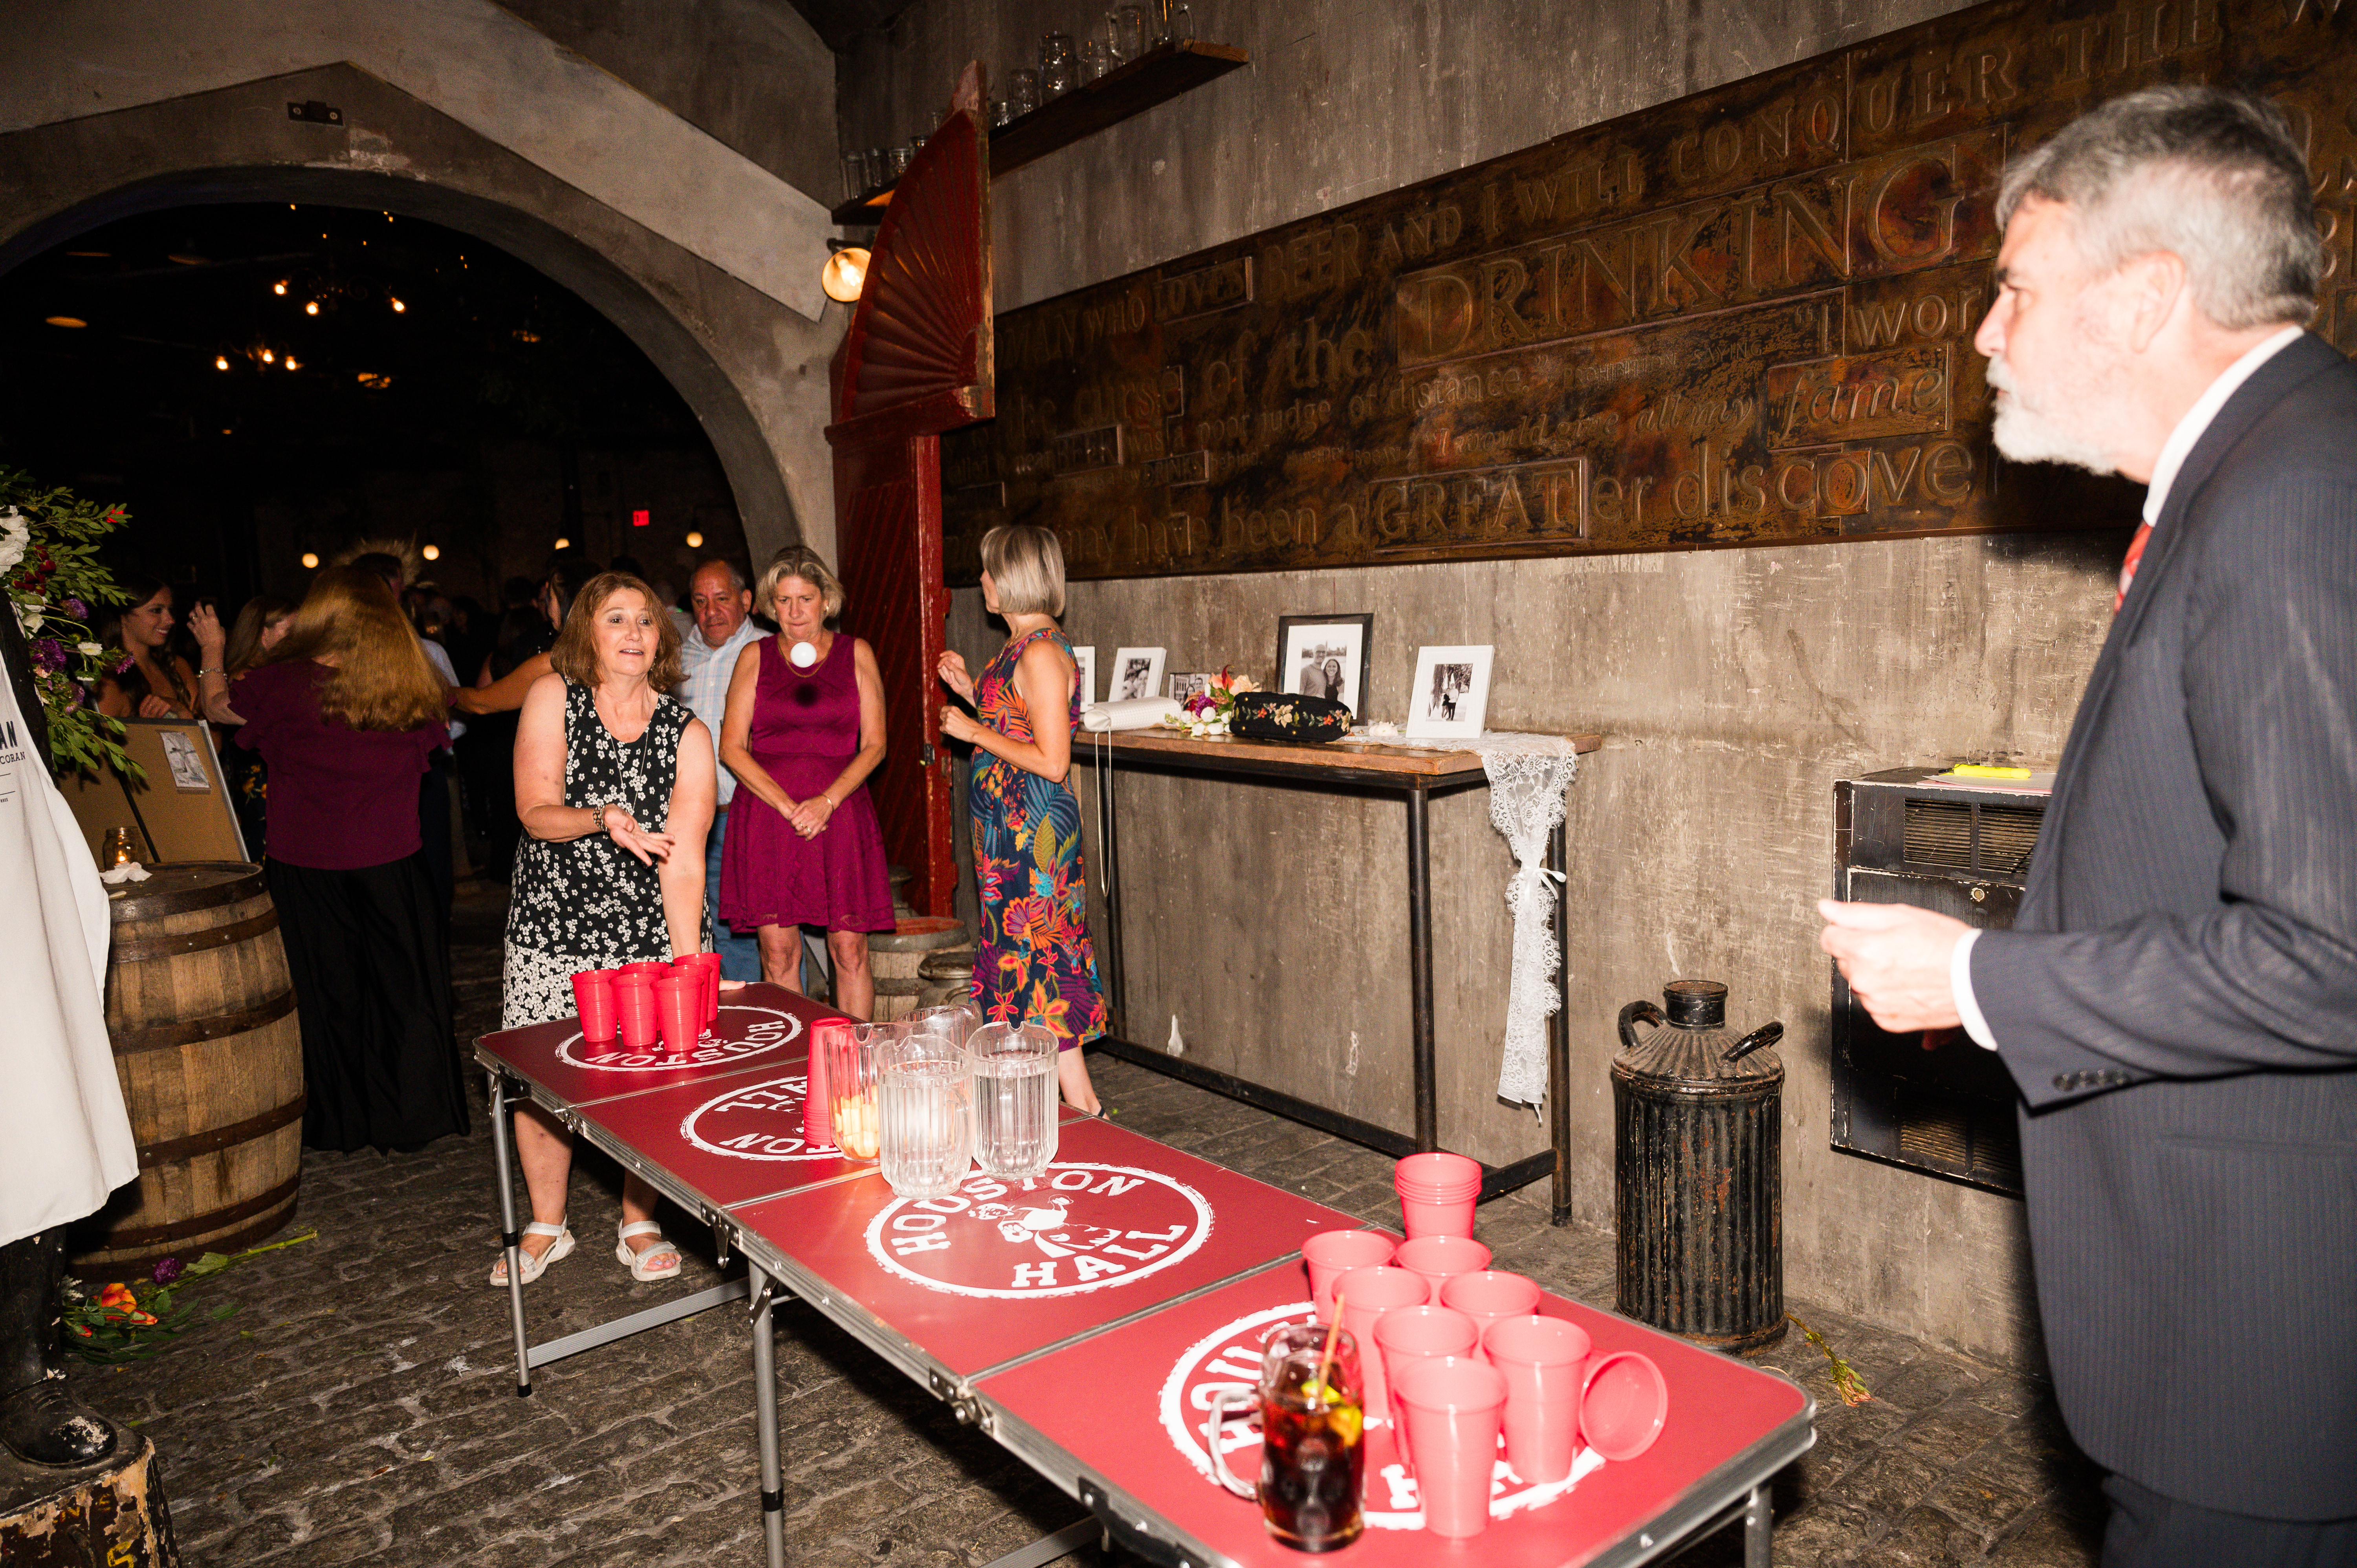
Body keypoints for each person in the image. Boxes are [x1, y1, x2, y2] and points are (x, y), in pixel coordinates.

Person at [1818, 88, 2357, 1567]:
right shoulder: (2268, 465)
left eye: (2013, 287)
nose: (1983, 332)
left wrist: (1979, 977)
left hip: (2260, 1347)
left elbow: (2333, 952)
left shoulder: (2294, 498)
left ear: (2139, 299)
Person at [187, 569, 469, 1153]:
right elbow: (458, 711)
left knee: (328, 996)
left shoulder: (282, 682)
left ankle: (342, 1120)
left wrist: (213, 649)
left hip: (306, 867)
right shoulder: (410, 681)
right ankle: (411, 1116)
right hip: (392, 863)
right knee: (404, 993)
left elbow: (217, 708)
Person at [493, 571, 713, 1286]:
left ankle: (639, 1219)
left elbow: (684, 861)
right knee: (541, 1077)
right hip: (553, 927)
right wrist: (603, 818)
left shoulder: (687, 733)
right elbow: (534, 811)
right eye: (615, 618)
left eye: (645, 620)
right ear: (587, 630)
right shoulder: (554, 697)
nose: (633, 633)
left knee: (648, 1084)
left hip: (645, 937)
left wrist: (689, 967)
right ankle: (547, 1223)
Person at [936, 524, 1106, 1114]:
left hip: (1034, 838)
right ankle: (1081, 1108)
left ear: (1012, 577)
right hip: (1007, 836)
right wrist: (972, 693)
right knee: (1032, 968)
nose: (982, 579)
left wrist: (973, 730)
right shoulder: (1021, 645)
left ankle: (1082, 1110)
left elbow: (1053, 761)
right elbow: (1020, 723)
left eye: (989, 569)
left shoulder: (1038, 651)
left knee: (1043, 964)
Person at [717, 546, 893, 1017]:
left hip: (840, 812)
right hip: (769, 816)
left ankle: (855, 1053)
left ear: (826, 601)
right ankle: (797, 1057)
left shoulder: (856, 653)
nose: (795, 612)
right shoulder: (754, 656)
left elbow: (876, 744)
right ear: (771, 606)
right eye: (784, 600)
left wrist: (826, 802)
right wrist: (787, 806)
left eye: (806, 598)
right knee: (779, 953)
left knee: (850, 950)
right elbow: (731, 747)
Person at [675, 560, 766, 983]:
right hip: (698, 820)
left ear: (746, 600)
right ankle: (742, 1011)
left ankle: (784, 1012)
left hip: (757, 813)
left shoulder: (770, 651)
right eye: (700, 601)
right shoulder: (675, 660)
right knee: (718, 928)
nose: (710, 611)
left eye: (722, 599)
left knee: (775, 931)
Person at [217, 594, 293, 857]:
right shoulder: (247, 678)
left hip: (272, 782)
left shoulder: (279, 673)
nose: (300, 638)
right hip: (259, 785)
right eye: (291, 631)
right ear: (263, 634)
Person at [94, 576, 196, 720]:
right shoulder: (110, 680)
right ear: (123, 616)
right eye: (156, 610)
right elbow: (98, 733)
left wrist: (178, 708)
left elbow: (209, 731)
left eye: (170, 610)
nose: (170, 620)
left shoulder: (177, 667)